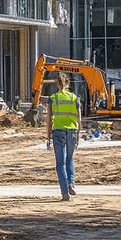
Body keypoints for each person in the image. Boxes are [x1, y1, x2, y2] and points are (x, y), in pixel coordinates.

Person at [46, 72, 82, 202]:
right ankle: (71, 183)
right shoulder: (74, 98)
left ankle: (65, 193)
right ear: (67, 84)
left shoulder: (53, 98)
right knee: (70, 159)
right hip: (72, 131)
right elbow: (79, 119)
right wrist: (78, 136)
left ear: (57, 83)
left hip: (58, 132)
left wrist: (47, 136)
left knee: (60, 163)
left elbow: (49, 119)